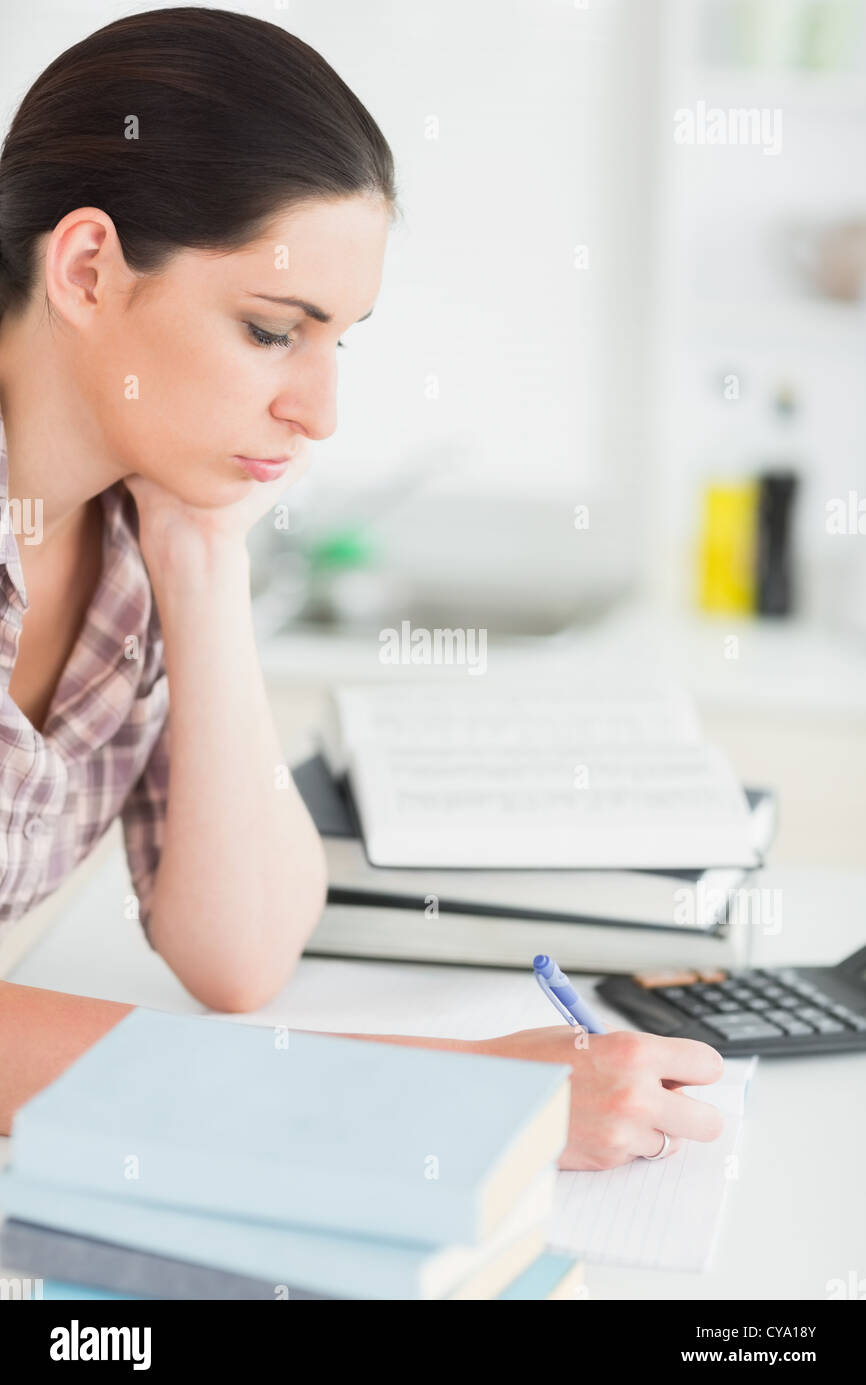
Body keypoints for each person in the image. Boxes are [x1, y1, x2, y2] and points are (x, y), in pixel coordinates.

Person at [0, 6, 724, 1167]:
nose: (319, 413)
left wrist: (204, 559)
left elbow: (236, 954)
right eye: (270, 330)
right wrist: (447, 1102)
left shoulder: (142, 520)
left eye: (341, 340)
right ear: (88, 268)